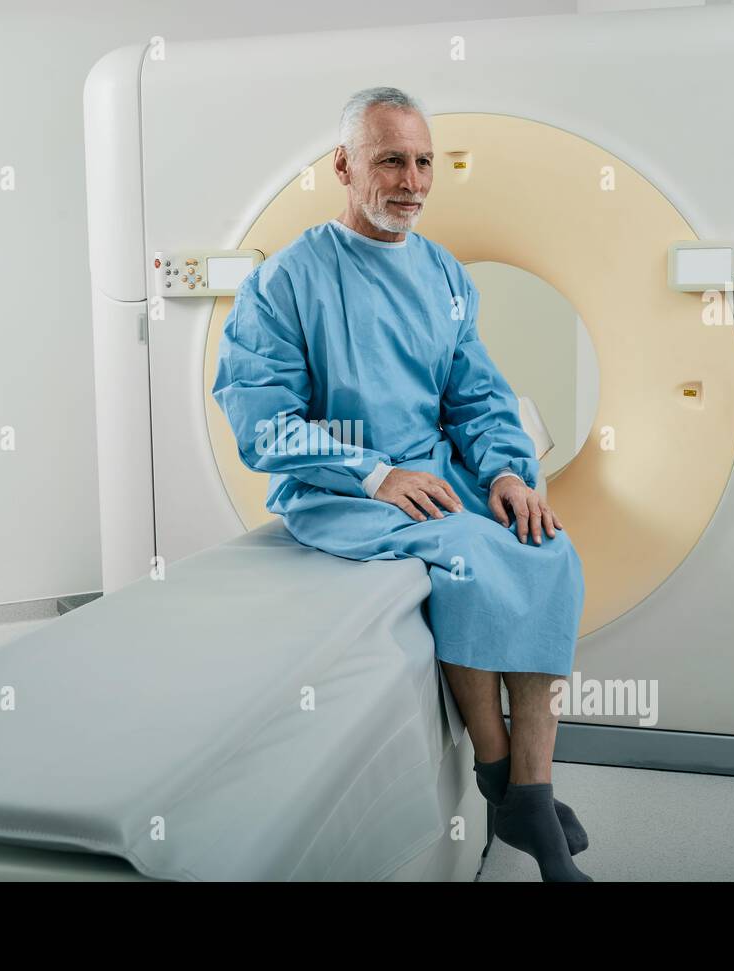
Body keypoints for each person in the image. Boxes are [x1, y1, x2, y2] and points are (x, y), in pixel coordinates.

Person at [211, 86, 590, 882]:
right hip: (344, 490)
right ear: (344, 166)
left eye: (424, 162)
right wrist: (375, 472)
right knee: (471, 559)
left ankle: (527, 785)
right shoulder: (285, 281)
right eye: (391, 160)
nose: (412, 180)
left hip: (439, 473)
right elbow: (262, 425)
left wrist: (511, 473)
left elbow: (478, 395)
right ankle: (502, 782)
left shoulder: (443, 272)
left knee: (546, 547)